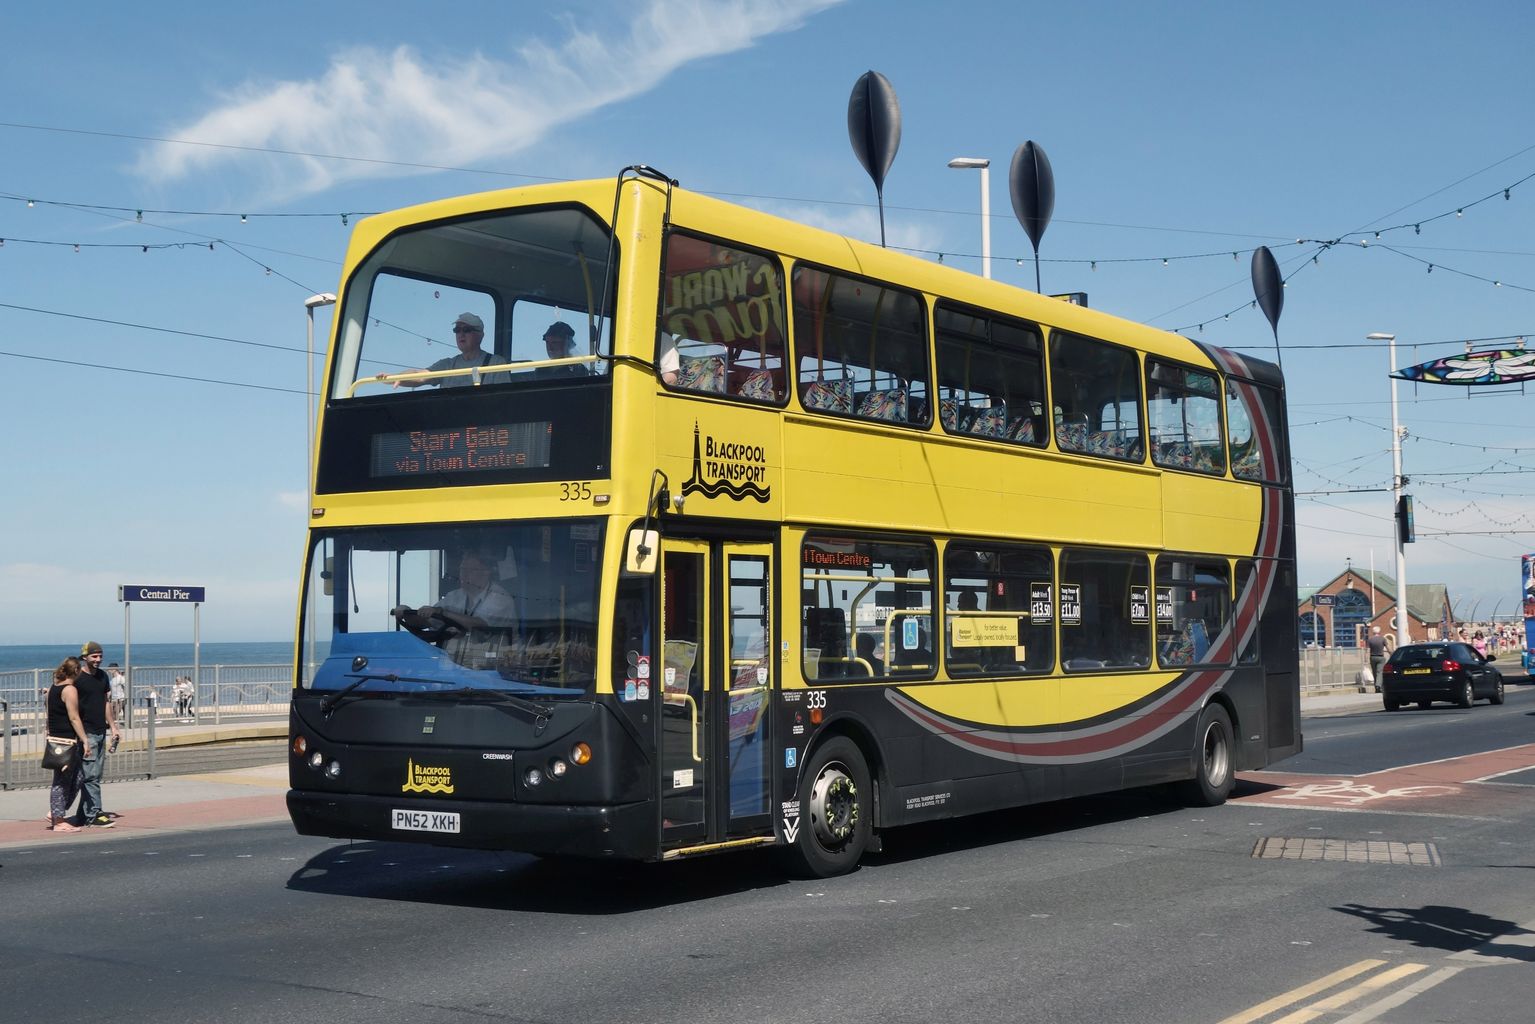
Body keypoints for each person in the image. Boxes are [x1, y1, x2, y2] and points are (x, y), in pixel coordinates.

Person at [393, 549, 518, 664]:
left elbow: (480, 625)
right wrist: (406, 613)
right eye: (462, 569)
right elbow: (426, 622)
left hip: (492, 665)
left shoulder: (500, 598)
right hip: (455, 665)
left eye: (470, 570)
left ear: (486, 572)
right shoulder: (454, 597)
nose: (463, 574)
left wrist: (443, 613)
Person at [69, 641, 121, 828]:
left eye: (100, 656)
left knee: (95, 775)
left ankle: (83, 815)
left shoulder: (102, 677)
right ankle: (95, 813)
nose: (98, 659)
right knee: (90, 776)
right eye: (94, 656)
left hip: (100, 731)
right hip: (86, 733)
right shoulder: (76, 679)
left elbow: (105, 703)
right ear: (85, 658)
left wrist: (113, 726)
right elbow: (68, 705)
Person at [384, 313, 506, 388]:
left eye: (466, 330)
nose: (461, 334)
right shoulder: (446, 365)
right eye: (457, 330)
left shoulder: (496, 363)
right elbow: (420, 376)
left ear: (480, 335)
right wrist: (396, 377)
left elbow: (504, 400)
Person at [45, 657, 89, 833]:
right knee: (62, 781)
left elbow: (49, 715)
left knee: (77, 778)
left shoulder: (52, 689)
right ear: (76, 671)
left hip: (57, 738)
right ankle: (58, 820)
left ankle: (57, 812)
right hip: (66, 740)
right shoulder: (70, 690)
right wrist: (85, 739)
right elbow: (73, 717)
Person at [1366, 626, 1387, 693]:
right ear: (1379, 632)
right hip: (1381, 657)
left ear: (1373, 632)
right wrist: (1391, 653)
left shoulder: (1370, 639)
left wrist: (1365, 657)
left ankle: (1376, 687)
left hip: (1372, 657)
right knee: (1379, 672)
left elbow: (1368, 650)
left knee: (1374, 672)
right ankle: (1378, 686)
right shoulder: (1383, 639)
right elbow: (1387, 647)